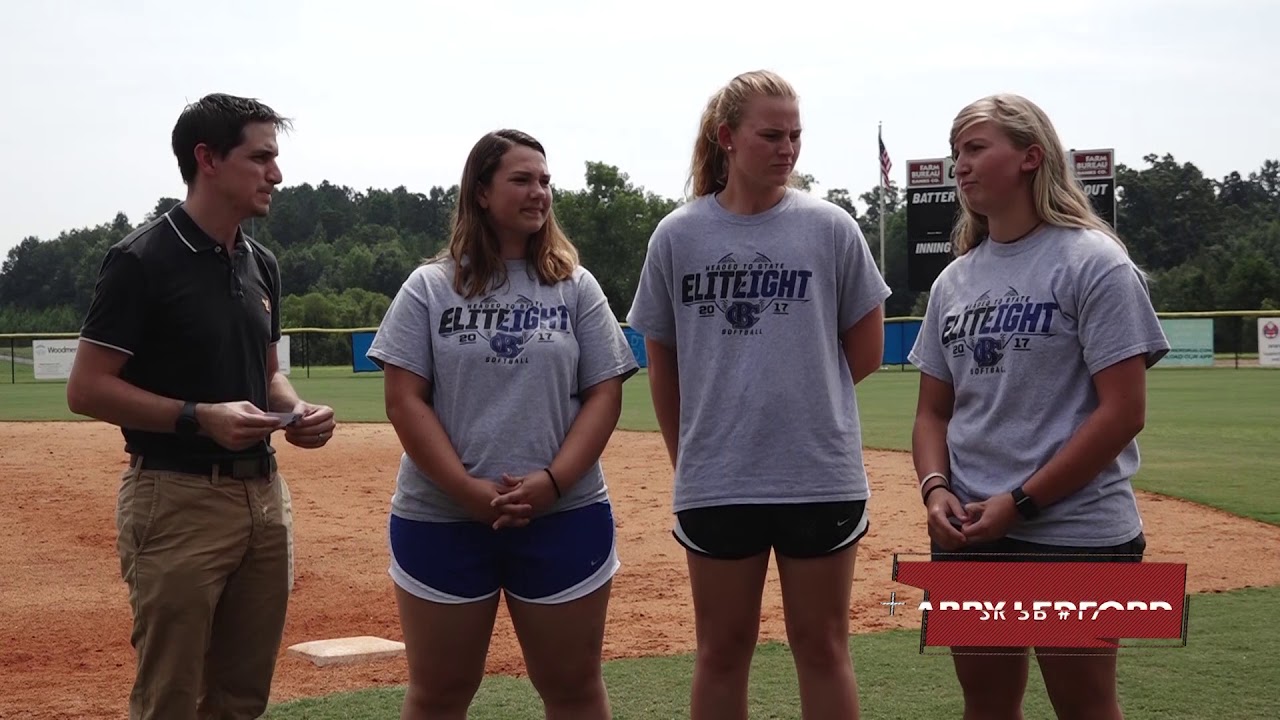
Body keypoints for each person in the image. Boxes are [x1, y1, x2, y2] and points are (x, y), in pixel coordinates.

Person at [626, 70, 891, 720]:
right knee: (720, 650)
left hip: (817, 473)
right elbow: (665, 369)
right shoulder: (678, 236)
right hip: (717, 476)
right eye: (771, 135)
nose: (787, 148)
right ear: (727, 138)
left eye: (795, 135)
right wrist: (688, 459)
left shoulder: (830, 228)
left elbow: (866, 351)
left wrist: (796, 390)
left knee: (823, 646)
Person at [66, 93, 336, 720]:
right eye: (261, 157)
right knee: (172, 697)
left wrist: (296, 411)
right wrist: (198, 416)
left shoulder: (260, 262)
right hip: (176, 500)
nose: (277, 174)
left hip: (265, 501)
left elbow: (271, 376)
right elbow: (86, 388)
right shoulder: (141, 260)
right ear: (207, 158)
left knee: (242, 697)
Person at [908, 93, 1171, 720]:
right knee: (987, 707)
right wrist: (934, 488)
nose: (960, 167)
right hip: (970, 529)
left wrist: (1022, 501)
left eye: (975, 149)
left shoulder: (1094, 262)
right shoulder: (955, 280)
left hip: (1073, 532)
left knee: (1084, 708)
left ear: (1030, 157)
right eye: (955, 154)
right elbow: (932, 414)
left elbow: (1123, 411)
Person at [366, 128, 639, 720]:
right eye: (522, 179)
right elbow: (404, 400)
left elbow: (604, 394)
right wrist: (465, 491)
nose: (539, 191)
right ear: (482, 192)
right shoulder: (430, 287)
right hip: (442, 516)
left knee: (573, 690)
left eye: (544, 180)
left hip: (563, 515)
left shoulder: (575, 286)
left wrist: (554, 481)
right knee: (438, 693)